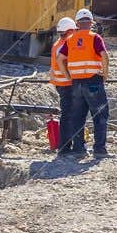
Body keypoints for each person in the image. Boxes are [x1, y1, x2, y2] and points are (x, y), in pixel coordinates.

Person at [64, 8, 109, 159]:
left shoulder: (70, 39)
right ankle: (99, 150)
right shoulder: (94, 38)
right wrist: (105, 73)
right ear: (91, 23)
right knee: (100, 115)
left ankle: (78, 149)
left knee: (77, 116)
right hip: (93, 81)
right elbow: (104, 55)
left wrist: (68, 76)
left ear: (77, 23)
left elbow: (59, 58)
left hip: (76, 82)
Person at [48, 17, 77, 158]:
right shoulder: (64, 45)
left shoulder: (57, 43)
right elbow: (62, 63)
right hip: (66, 85)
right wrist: (70, 78)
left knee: (68, 115)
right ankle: (64, 147)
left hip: (61, 84)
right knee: (68, 116)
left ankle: (65, 145)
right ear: (69, 30)